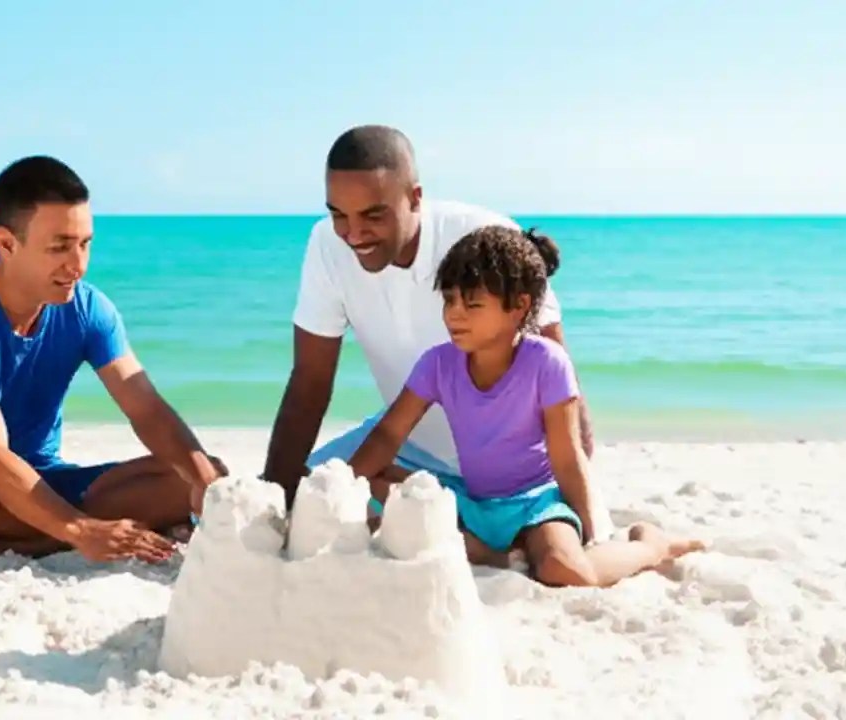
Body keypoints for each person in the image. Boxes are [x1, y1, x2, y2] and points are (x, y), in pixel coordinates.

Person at [0, 155, 225, 568]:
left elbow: (146, 407)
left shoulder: (90, 309)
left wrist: (203, 480)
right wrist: (77, 529)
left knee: (196, 471)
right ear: (6, 244)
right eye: (59, 248)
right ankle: (45, 537)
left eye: (85, 244)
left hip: (46, 484)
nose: (77, 266)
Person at [262, 124, 599, 518]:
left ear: (415, 197)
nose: (353, 234)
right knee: (300, 504)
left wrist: (578, 495)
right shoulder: (327, 245)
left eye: (373, 214)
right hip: (404, 450)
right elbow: (310, 381)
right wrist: (276, 501)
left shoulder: (482, 239)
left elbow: (556, 368)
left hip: (513, 479)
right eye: (339, 214)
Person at [348, 226, 704, 585]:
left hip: (537, 504)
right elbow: (388, 434)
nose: (454, 314)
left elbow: (566, 456)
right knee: (382, 481)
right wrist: (341, 484)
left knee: (564, 569)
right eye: (449, 300)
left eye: (472, 303)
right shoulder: (438, 364)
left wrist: (588, 535)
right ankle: (500, 558)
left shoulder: (546, 362)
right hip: (473, 501)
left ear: (519, 306)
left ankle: (651, 547)